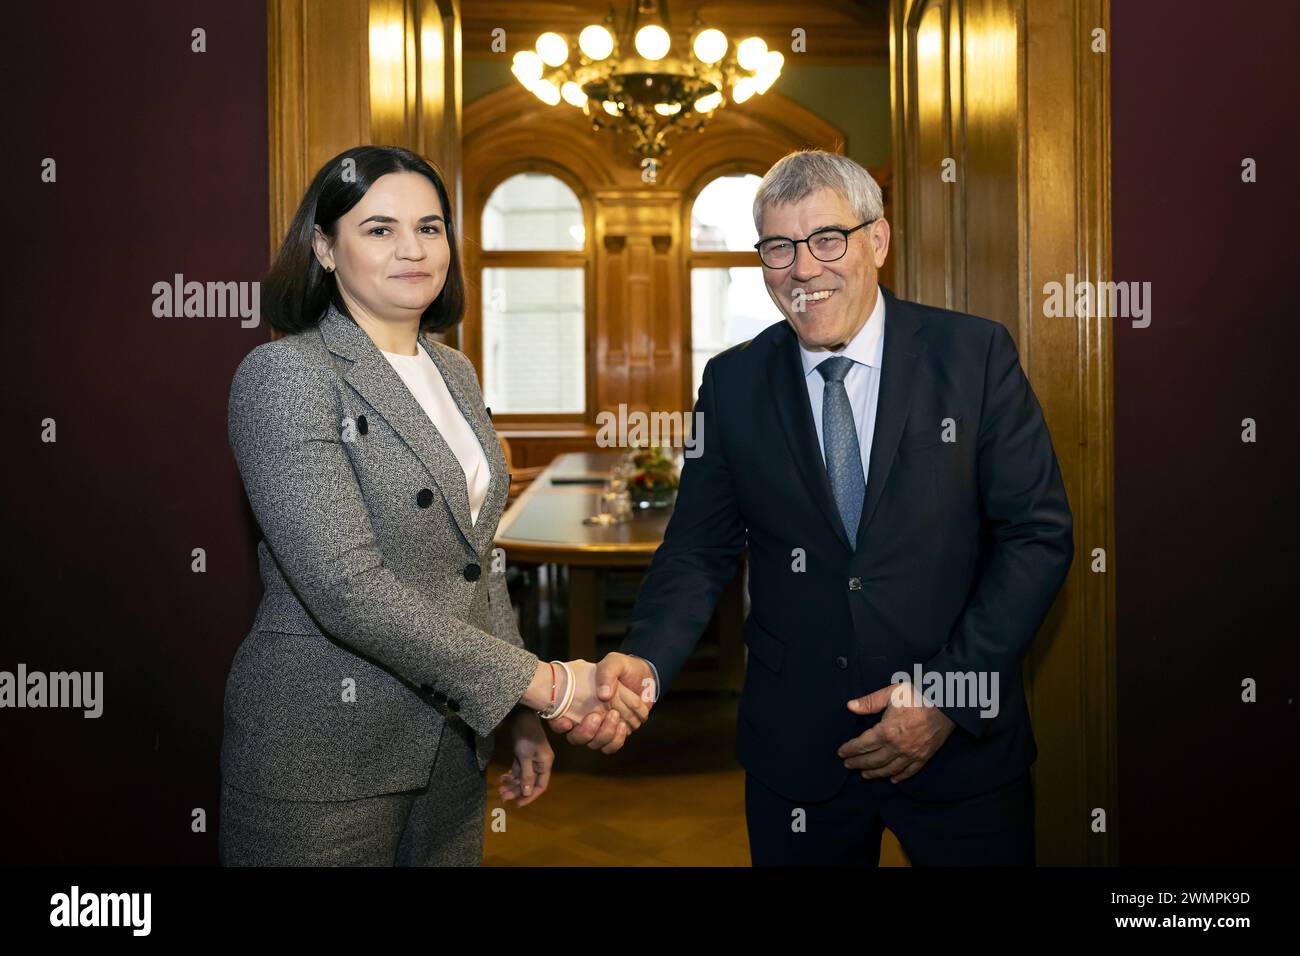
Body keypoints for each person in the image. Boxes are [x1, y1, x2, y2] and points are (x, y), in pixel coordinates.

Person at [552, 149, 1073, 866]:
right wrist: (645, 657)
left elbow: (1036, 536)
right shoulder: (732, 382)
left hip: (962, 752)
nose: (803, 269)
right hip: (796, 750)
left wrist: (947, 696)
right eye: (778, 247)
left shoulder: (973, 356)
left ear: (877, 241)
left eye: (828, 239)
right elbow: (698, 550)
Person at [218, 145, 647, 866]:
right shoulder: (285, 375)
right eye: (379, 229)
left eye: (430, 226)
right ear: (324, 247)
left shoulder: (453, 368)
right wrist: (544, 686)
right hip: (326, 750)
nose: (413, 249)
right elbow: (346, 591)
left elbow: (475, 567)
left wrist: (515, 716)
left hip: (452, 738)